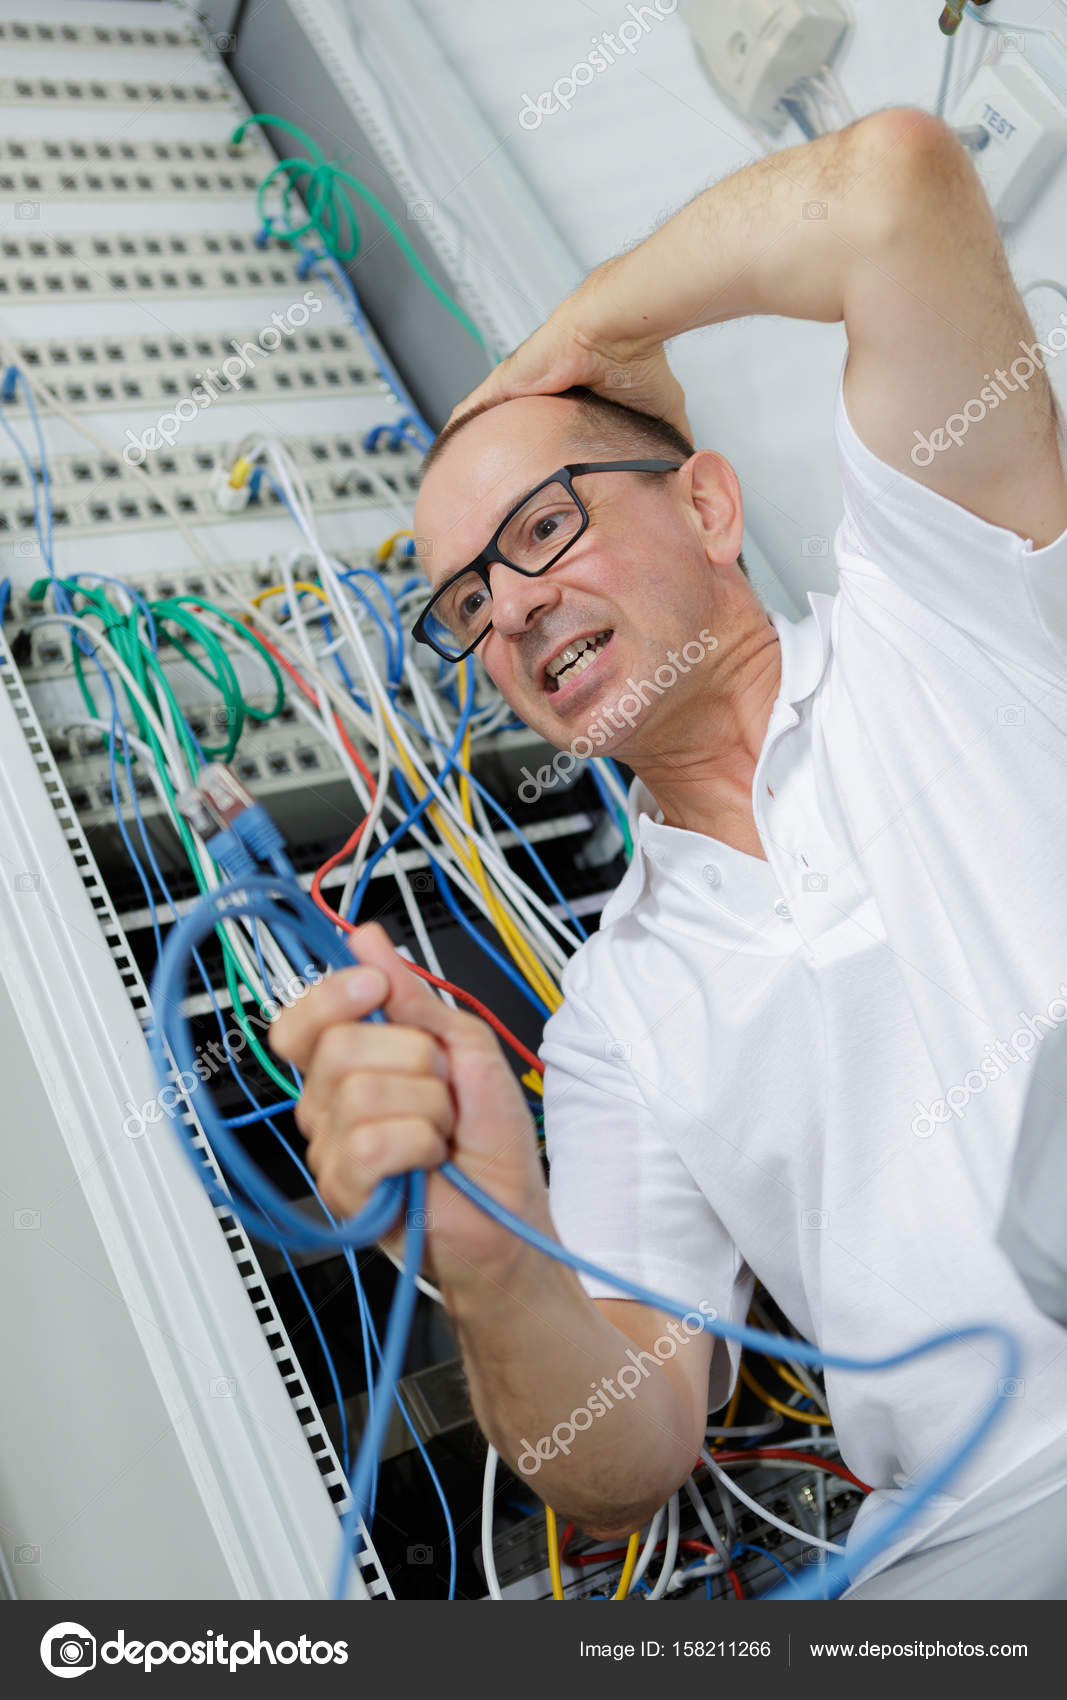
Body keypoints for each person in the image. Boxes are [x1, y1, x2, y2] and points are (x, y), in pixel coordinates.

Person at [270, 106, 1067, 1598]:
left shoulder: (950, 602)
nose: (506, 611)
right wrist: (495, 1260)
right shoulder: (618, 1022)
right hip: (973, 1567)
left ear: (707, 503)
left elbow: (894, 184)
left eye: (543, 527)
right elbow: (626, 1455)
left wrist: (581, 332)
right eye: (463, 605)